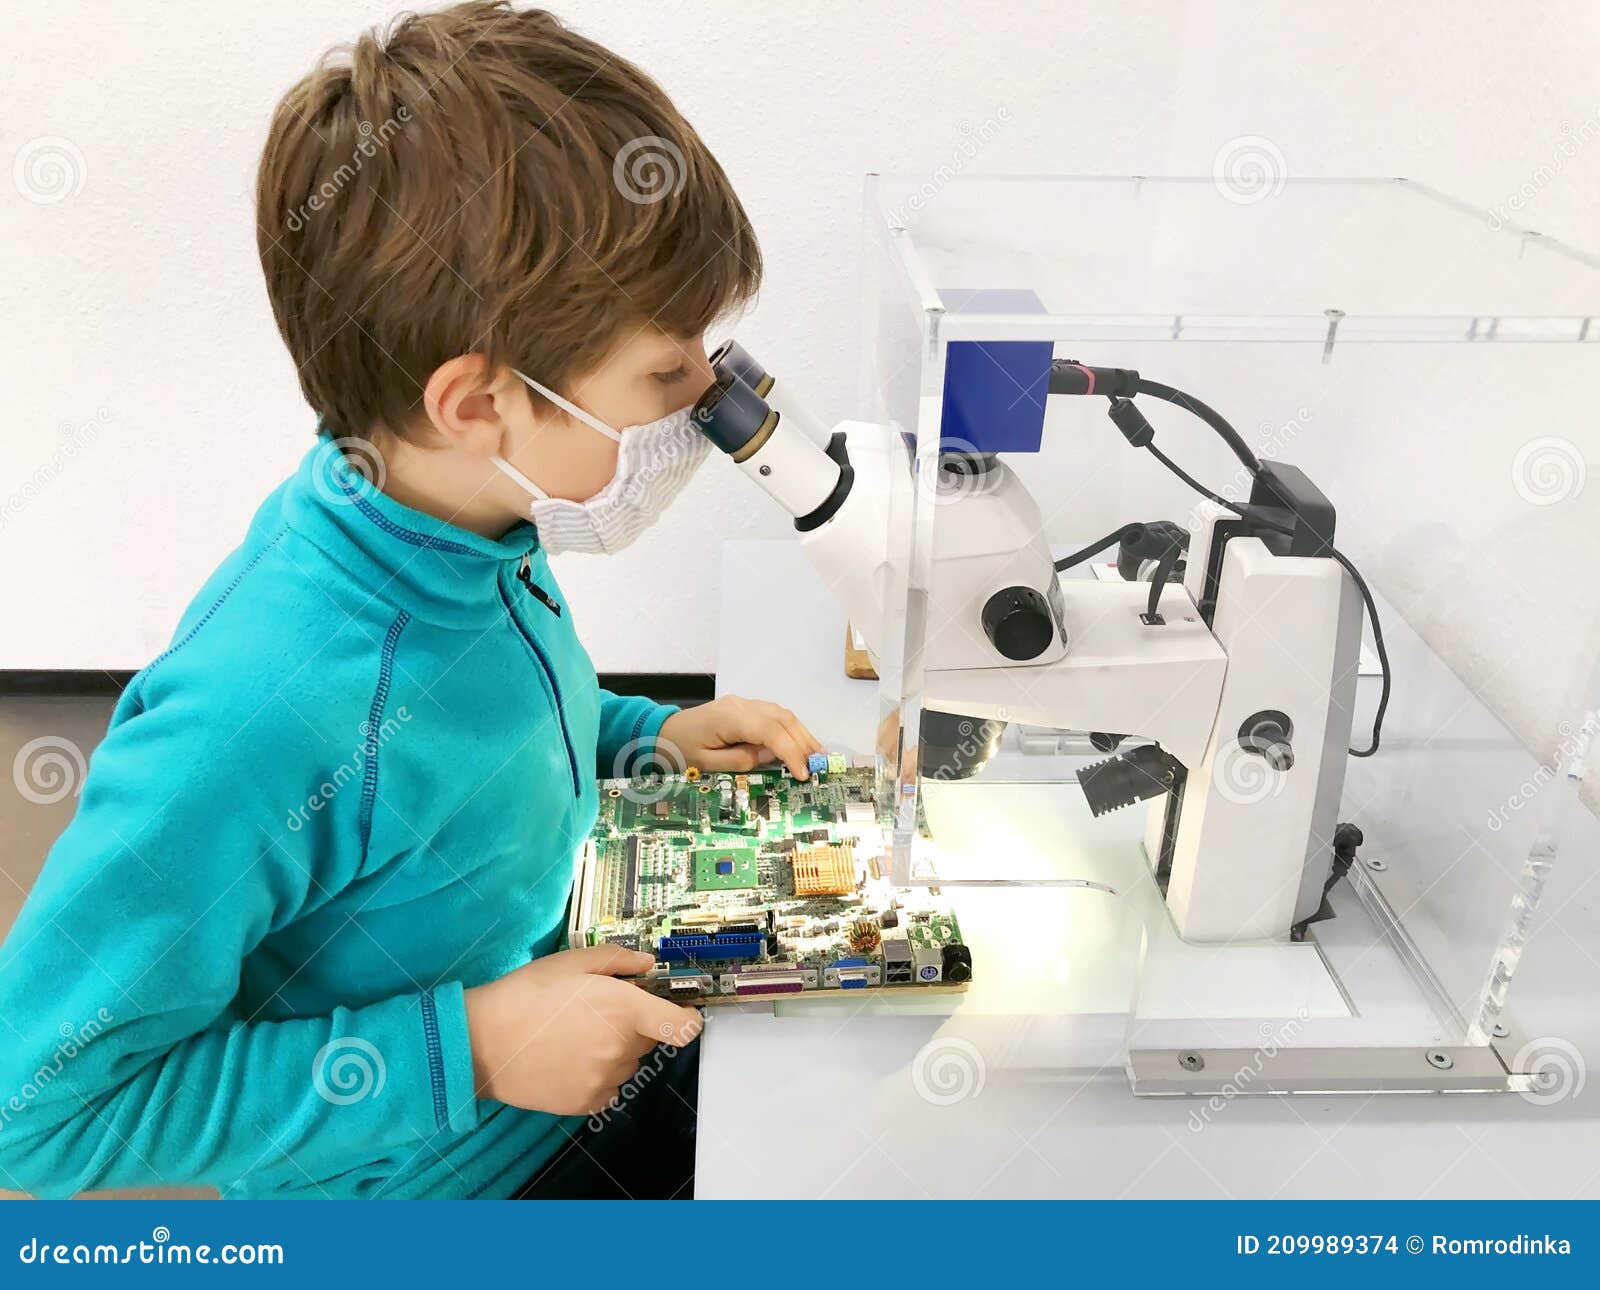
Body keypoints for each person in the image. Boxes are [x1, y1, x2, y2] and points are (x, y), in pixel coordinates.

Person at [0, 2, 820, 1200]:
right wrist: (474, 1049)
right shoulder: (255, 716)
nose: (709, 396)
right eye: (667, 366)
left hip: (579, 1040)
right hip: (443, 1191)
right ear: (477, 403)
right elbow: (35, 1118)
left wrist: (638, 737)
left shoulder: (468, 525)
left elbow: (463, 747)